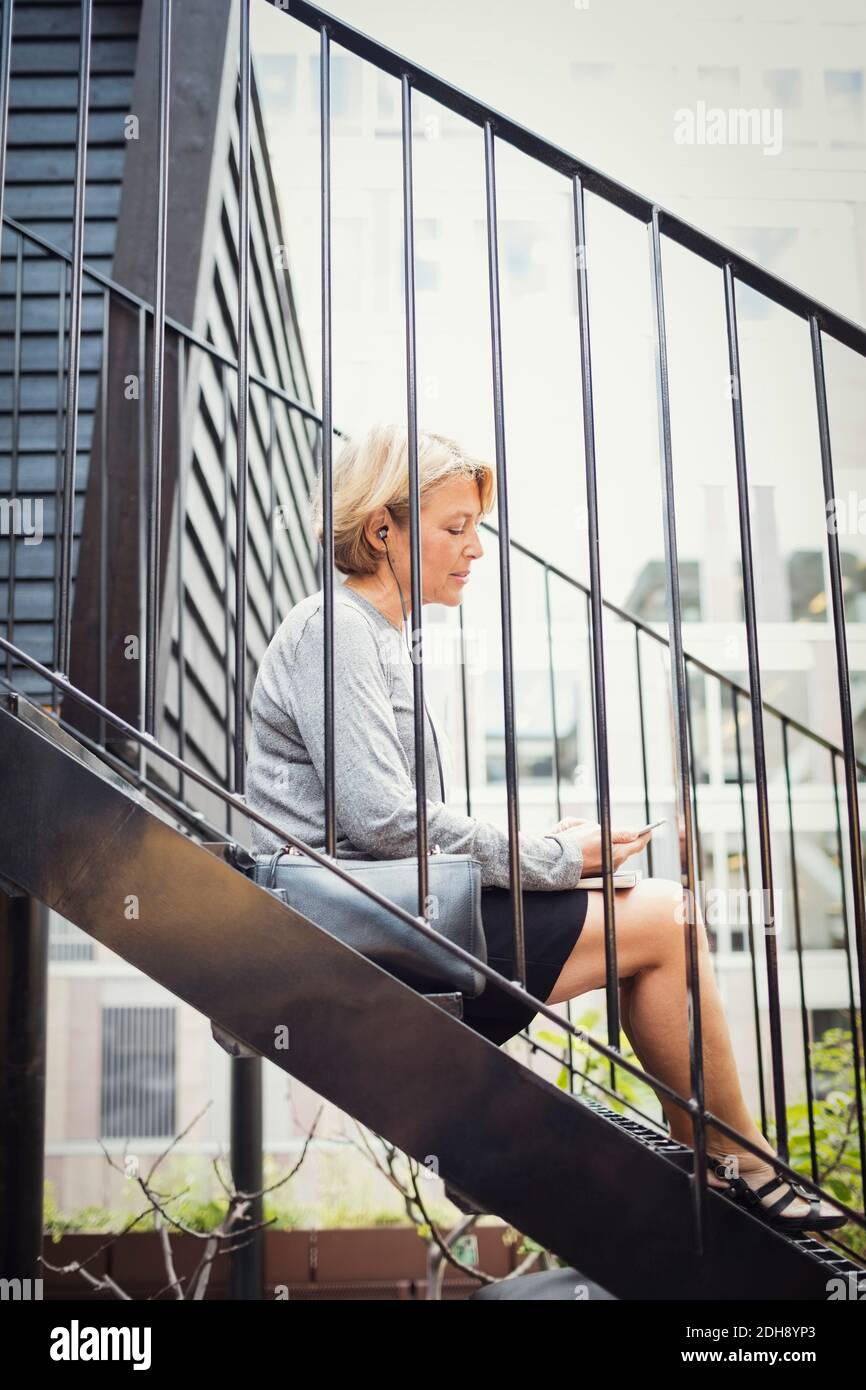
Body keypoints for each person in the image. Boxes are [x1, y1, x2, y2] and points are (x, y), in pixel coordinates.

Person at [245, 421, 843, 1233]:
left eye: (475, 530)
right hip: (363, 932)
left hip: (383, 914)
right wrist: (549, 858)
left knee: (654, 912)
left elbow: (389, 820)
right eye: (455, 529)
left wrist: (542, 854)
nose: (475, 549)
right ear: (381, 530)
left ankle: (710, 1150)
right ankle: (734, 1157)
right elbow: (382, 821)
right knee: (663, 918)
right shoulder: (336, 629)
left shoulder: (371, 636)